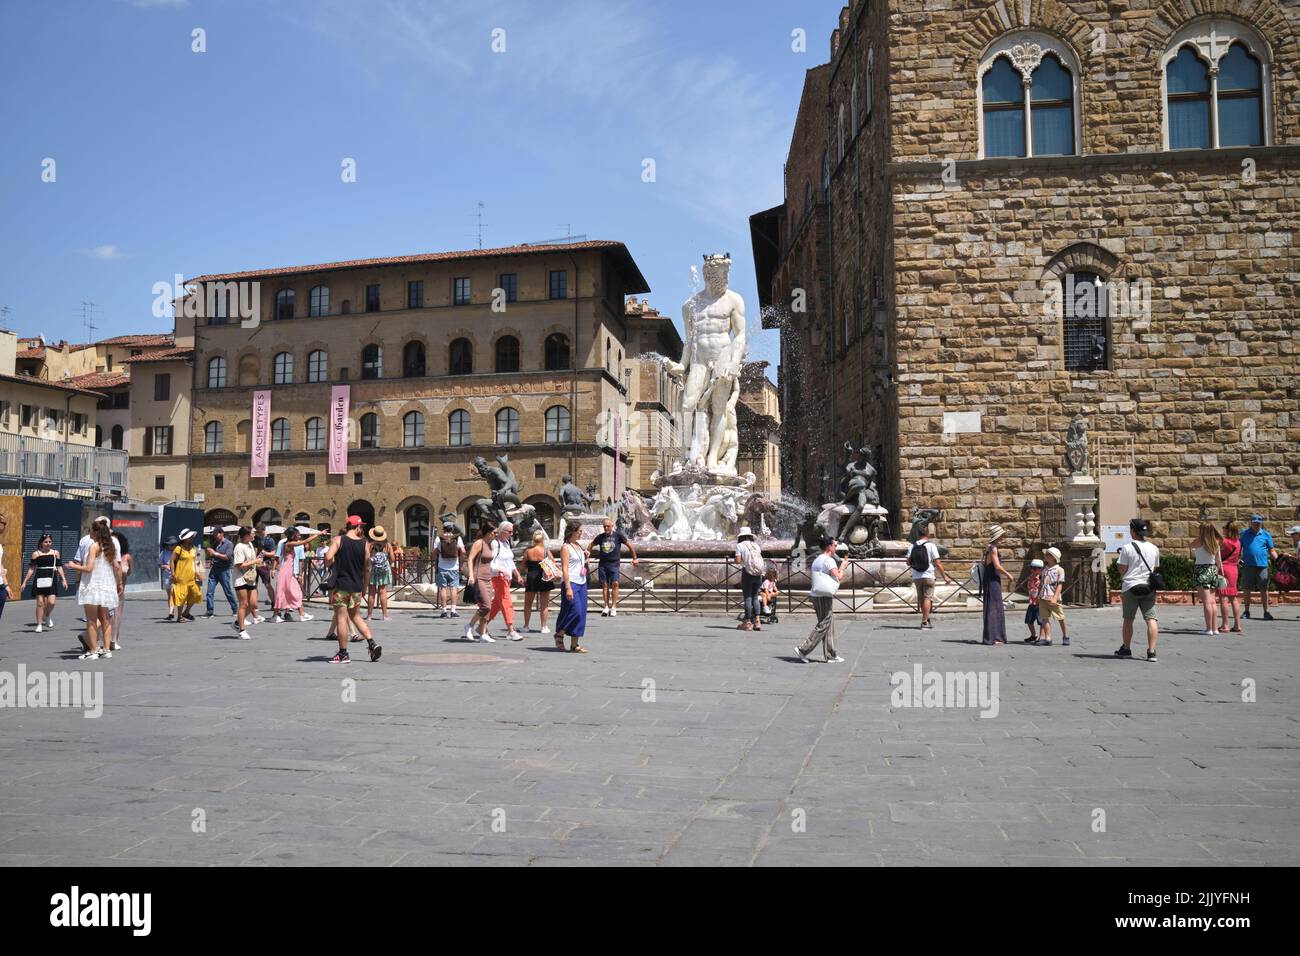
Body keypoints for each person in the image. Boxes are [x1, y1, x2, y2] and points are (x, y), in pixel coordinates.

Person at [325, 515, 381, 663]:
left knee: (342, 618)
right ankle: (372, 643)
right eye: (361, 526)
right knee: (356, 616)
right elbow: (367, 567)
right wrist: (365, 586)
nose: (361, 529)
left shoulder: (339, 540)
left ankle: (343, 654)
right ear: (357, 527)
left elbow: (328, 557)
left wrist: (334, 562)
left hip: (341, 586)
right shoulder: (364, 544)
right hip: (356, 586)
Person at [70, 521, 122, 660]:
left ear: (96, 532)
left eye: (90, 530)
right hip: (106, 586)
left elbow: (89, 568)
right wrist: (119, 583)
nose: (89, 533)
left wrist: (72, 566)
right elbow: (117, 567)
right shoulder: (109, 547)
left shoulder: (94, 546)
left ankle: (93, 651)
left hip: (93, 586)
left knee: (92, 620)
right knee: (106, 620)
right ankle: (106, 650)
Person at [1116, 517, 1161, 663]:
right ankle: (1152, 652)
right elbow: (1154, 568)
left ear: (1133, 531)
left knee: (1128, 619)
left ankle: (1127, 649)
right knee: (1151, 619)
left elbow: (1122, 569)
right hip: (1148, 587)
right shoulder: (1154, 548)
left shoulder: (1127, 548)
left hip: (1131, 587)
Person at [795, 536, 844, 663]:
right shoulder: (829, 560)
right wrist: (843, 567)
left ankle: (830, 654)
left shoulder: (818, 559)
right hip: (824, 595)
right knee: (824, 622)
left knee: (828, 622)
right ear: (829, 546)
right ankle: (803, 649)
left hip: (816, 594)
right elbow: (839, 576)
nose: (836, 547)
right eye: (834, 545)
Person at [589, 517, 638, 617]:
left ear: (612, 526)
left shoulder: (618, 536)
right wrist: (587, 555)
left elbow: (629, 545)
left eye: (608, 526)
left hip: (614, 564)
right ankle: (606, 606)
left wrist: (635, 558)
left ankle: (614, 607)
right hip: (603, 564)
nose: (606, 528)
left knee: (615, 584)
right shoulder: (600, 537)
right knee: (605, 585)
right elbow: (591, 545)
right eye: (604, 526)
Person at [20, 533, 68, 634]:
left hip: (51, 578)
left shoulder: (55, 553)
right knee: (40, 603)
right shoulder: (36, 554)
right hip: (40, 579)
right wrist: (24, 582)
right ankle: (39, 624)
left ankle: (46, 615)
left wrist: (63, 579)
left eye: (50, 542)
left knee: (51, 602)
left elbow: (59, 567)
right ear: (41, 543)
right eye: (46, 542)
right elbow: (31, 569)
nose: (48, 543)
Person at [554, 523, 590, 653]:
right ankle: (560, 633)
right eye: (579, 531)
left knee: (582, 613)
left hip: (582, 582)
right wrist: (568, 587)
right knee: (575, 611)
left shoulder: (579, 546)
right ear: (572, 532)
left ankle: (574, 645)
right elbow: (565, 568)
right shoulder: (566, 547)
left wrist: (585, 556)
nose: (581, 533)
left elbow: (578, 563)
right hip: (572, 583)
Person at [908, 526, 952, 630]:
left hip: (917, 576)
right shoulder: (931, 545)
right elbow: (938, 563)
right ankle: (924, 622)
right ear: (928, 534)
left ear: (918, 534)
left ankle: (926, 618)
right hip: (928, 575)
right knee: (927, 598)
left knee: (922, 598)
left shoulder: (912, 546)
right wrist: (945, 577)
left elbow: (908, 562)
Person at [486, 522, 523, 642]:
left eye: (513, 532)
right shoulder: (495, 544)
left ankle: (482, 626)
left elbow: (510, 562)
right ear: (502, 531)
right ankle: (511, 630)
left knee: (496, 605)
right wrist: (501, 570)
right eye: (509, 532)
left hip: (507, 578)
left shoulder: (506, 543)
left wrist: (517, 575)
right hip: (499, 577)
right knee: (507, 602)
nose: (512, 534)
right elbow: (491, 562)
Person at [273, 527, 319, 623]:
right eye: (297, 534)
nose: (299, 536)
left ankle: (301, 614)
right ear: (292, 535)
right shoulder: (289, 544)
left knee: (292, 592)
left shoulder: (286, 544)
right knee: (284, 592)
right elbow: (305, 541)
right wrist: (319, 534)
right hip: (286, 572)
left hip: (288, 571)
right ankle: (277, 615)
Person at [1238, 514, 1277, 622]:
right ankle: (1246, 611)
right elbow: (1238, 548)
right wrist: (1236, 559)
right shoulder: (1244, 534)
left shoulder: (1266, 535)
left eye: (1258, 523)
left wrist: (1278, 561)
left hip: (1262, 566)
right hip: (1247, 566)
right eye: (1254, 522)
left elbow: (1271, 550)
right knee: (1246, 589)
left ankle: (1266, 612)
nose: (1256, 524)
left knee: (1264, 589)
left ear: (1261, 523)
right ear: (1251, 522)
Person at [464, 524, 498, 642]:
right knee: (486, 606)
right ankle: (469, 626)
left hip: (488, 578)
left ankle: (483, 634)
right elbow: (470, 559)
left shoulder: (490, 545)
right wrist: (471, 575)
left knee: (489, 608)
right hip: (478, 577)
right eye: (495, 532)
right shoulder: (479, 543)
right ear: (488, 533)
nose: (496, 535)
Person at [979, 525, 1012, 646]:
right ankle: (994, 637)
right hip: (992, 579)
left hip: (990, 578)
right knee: (994, 607)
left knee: (993, 607)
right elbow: (997, 566)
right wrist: (1008, 574)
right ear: (997, 536)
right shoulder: (993, 548)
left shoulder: (989, 547)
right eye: (1002, 535)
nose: (1003, 537)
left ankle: (993, 636)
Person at [1192, 522, 1225, 636]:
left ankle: (1208, 629)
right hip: (1212, 570)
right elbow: (1219, 561)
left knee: (1206, 601)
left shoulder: (1199, 541)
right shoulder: (1216, 542)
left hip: (1201, 570)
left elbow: (1190, 546)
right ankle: (1215, 628)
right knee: (1212, 601)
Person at [521, 529, 555, 634]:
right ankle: (543, 627)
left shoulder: (527, 551)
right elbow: (552, 562)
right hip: (544, 577)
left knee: (528, 604)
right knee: (544, 604)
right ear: (543, 539)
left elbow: (523, 566)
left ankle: (526, 626)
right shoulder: (545, 550)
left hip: (531, 577)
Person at [231, 527, 261, 640]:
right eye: (252, 533)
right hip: (240, 578)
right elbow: (239, 565)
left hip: (250, 578)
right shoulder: (239, 547)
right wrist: (255, 561)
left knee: (253, 604)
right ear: (246, 535)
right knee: (243, 604)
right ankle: (242, 630)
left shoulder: (250, 545)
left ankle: (237, 622)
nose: (254, 535)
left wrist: (257, 561)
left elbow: (251, 561)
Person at [734, 526, 766, 631]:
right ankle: (757, 621)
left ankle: (747, 622)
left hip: (747, 573)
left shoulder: (740, 545)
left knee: (748, 597)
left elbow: (738, 561)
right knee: (755, 597)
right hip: (758, 574)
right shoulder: (756, 545)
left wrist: (743, 559)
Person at [203, 528, 238, 619]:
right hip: (214, 569)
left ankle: (235, 609)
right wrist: (210, 555)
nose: (214, 536)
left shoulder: (229, 544)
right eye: (213, 534)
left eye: (216, 534)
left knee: (227, 591)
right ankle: (210, 612)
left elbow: (228, 557)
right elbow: (214, 555)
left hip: (224, 570)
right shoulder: (215, 543)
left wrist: (214, 553)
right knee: (209, 592)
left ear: (221, 534)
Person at [1036, 547, 1068, 646]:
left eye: (1047, 554)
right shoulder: (1044, 569)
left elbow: (1060, 584)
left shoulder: (1059, 570)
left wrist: (1055, 597)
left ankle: (1065, 635)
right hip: (1043, 597)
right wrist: (1038, 595)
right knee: (1044, 618)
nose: (1045, 556)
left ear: (1053, 558)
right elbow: (1041, 583)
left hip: (1053, 598)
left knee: (1060, 617)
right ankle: (1048, 637)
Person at [170, 529, 202, 621]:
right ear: (185, 538)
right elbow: (172, 560)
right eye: (190, 537)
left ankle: (186, 612)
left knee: (196, 594)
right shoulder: (178, 548)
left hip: (192, 576)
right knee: (181, 597)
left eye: (192, 536)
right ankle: (179, 616)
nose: (192, 538)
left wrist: (199, 573)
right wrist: (172, 572)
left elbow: (196, 561)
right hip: (181, 577)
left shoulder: (193, 548)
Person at [435, 522, 466, 618]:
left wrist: (436, 560)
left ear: (443, 528)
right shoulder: (457, 538)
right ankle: (453, 611)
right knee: (454, 588)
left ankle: (444, 611)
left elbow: (434, 552)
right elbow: (463, 551)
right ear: (452, 529)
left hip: (442, 566)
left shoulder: (438, 538)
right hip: (454, 567)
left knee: (443, 588)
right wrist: (461, 564)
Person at [1217, 520, 1243, 634]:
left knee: (1223, 598)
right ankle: (1237, 625)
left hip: (1224, 569)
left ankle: (1225, 625)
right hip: (1234, 570)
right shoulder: (1238, 542)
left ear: (1228, 530)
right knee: (1233, 598)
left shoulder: (1225, 542)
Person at [365, 525, 395, 621]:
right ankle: (385, 615)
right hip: (384, 572)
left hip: (372, 570)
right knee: (383, 592)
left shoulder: (369, 545)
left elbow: (366, 558)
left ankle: (369, 616)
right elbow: (392, 558)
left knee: (371, 593)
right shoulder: (387, 545)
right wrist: (386, 565)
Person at [109, 531, 131, 650]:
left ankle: (115, 640)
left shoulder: (127, 557)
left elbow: (129, 572)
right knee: (107, 615)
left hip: (120, 592)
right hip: (109, 588)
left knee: (117, 616)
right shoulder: (108, 556)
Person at [254, 523, 280, 620]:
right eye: (257, 532)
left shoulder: (270, 540)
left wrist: (265, 553)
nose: (257, 533)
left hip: (264, 565)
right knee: (254, 585)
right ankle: (254, 605)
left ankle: (273, 603)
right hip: (255, 564)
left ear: (264, 530)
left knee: (267, 585)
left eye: (259, 531)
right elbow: (255, 550)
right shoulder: (255, 539)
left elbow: (273, 553)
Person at [1022, 558, 1044, 642]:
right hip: (1032, 602)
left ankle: (1041, 636)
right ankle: (1033, 635)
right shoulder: (1031, 577)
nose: (1032, 570)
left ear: (1040, 569)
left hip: (1039, 602)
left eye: (1034, 568)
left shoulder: (1042, 578)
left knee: (1041, 621)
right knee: (1028, 620)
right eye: (1031, 568)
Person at [159, 535, 178, 621]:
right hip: (167, 576)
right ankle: (171, 612)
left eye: (173, 544)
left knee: (174, 594)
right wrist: (165, 566)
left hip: (176, 576)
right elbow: (159, 564)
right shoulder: (164, 553)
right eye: (170, 545)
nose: (171, 546)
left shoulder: (178, 552)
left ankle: (174, 612)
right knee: (170, 595)